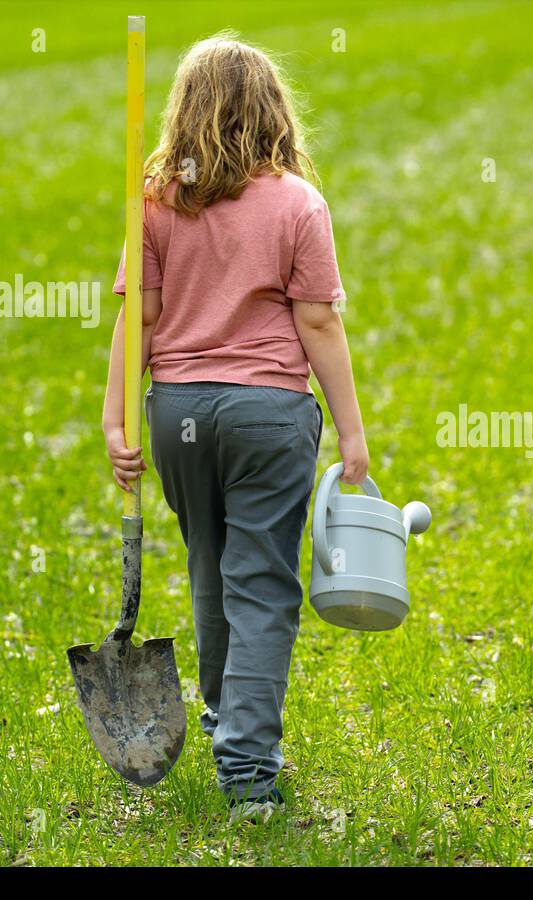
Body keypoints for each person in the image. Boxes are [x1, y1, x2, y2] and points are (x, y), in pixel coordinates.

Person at [101, 33, 368, 821]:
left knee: (212, 569)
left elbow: (136, 322)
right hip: (267, 415)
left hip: (178, 412)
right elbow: (318, 322)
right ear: (273, 112)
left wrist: (117, 422)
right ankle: (249, 769)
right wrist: (352, 433)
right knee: (262, 587)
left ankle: (225, 720)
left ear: (186, 113)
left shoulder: (154, 201)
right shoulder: (297, 203)